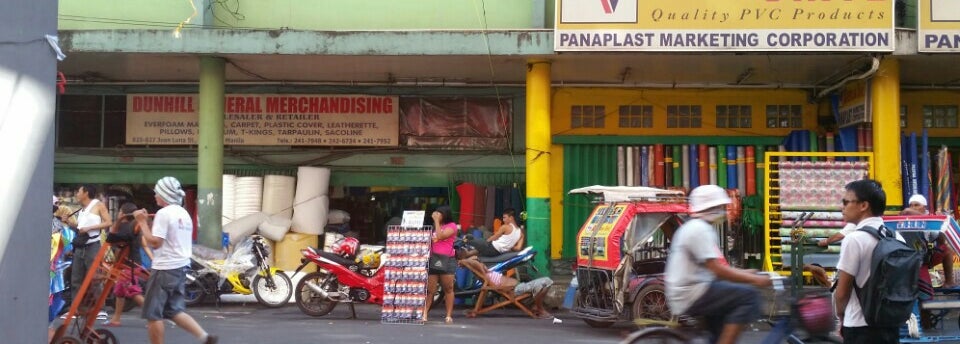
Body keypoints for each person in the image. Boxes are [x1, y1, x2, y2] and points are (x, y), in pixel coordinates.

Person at [665, 185, 771, 344]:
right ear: (711, 208)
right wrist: (754, 280)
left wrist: (748, 273)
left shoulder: (695, 227)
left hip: (692, 289)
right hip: (692, 293)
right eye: (720, 207)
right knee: (748, 296)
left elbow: (715, 269)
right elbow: (717, 270)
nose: (722, 211)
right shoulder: (699, 229)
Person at [133, 177, 217, 344]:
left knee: (153, 314)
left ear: (164, 194)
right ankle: (204, 337)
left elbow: (155, 242)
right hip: (180, 267)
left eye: (157, 192)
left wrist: (142, 222)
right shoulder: (183, 213)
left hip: (164, 268)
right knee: (173, 310)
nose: (155, 195)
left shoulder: (164, 214)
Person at [833, 179, 901, 343]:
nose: (842, 207)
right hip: (890, 323)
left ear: (864, 205)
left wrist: (841, 315)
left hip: (859, 326)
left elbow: (842, 293)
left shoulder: (854, 239)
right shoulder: (896, 237)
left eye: (846, 202)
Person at [104, 202, 154, 327]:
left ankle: (153, 318)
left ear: (123, 213)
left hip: (129, 265)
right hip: (130, 263)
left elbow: (111, 238)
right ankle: (116, 318)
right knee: (119, 293)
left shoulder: (126, 226)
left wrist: (117, 222)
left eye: (120, 211)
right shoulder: (133, 226)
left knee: (133, 293)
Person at [459, 257, 554, 319]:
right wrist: (464, 261)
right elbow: (475, 263)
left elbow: (475, 259)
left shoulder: (488, 273)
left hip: (519, 287)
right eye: (482, 265)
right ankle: (539, 308)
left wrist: (470, 260)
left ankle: (537, 306)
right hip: (515, 289)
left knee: (546, 282)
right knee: (547, 281)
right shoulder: (485, 274)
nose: (484, 265)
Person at [70, 184, 113, 318]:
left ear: (86, 193)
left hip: (93, 246)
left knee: (95, 278)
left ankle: (101, 309)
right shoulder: (82, 209)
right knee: (76, 279)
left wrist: (90, 228)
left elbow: (108, 222)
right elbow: (80, 228)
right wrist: (70, 223)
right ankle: (75, 309)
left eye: (79, 191)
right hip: (80, 246)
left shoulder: (98, 205)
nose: (77, 194)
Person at [424, 205, 457, 323]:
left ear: (445, 214)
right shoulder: (435, 226)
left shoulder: (452, 226)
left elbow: (440, 236)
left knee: (448, 288)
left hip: (447, 259)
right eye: (436, 213)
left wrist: (437, 222)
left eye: (439, 213)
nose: (436, 215)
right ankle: (424, 314)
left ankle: (448, 315)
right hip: (434, 258)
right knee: (430, 289)